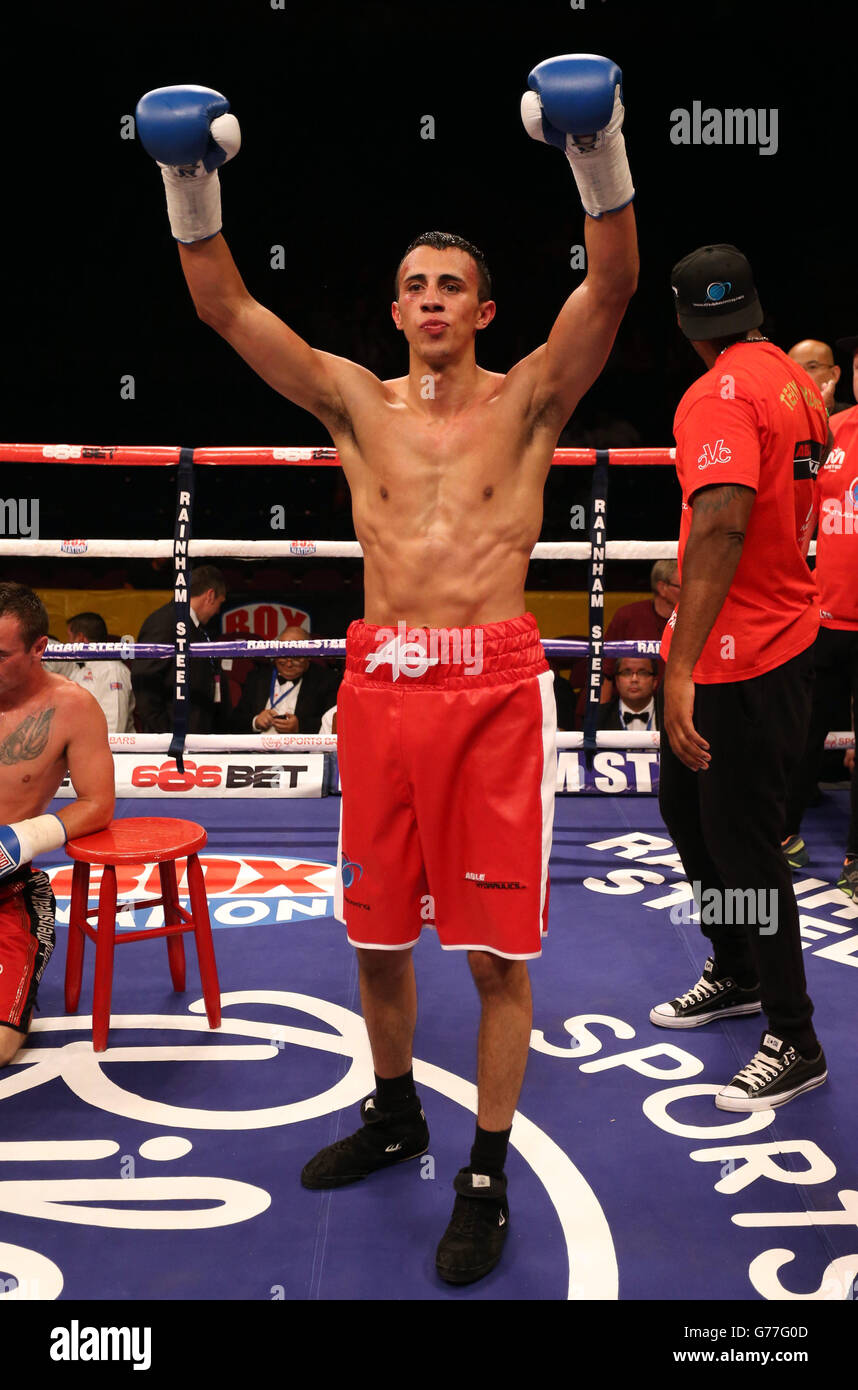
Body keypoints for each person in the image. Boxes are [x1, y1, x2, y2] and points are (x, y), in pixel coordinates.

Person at [137, 54, 638, 1283]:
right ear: (397, 302)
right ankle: (397, 1106)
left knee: (494, 953)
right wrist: (187, 180)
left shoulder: (529, 403)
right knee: (374, 934)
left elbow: (614, 283)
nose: (427, 298)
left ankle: (484, 1166)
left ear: (484, 309)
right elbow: (224, 307)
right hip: (380, 690)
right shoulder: (357, 403)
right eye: (413, 283)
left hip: (494, 694)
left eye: (451, 284)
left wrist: (598, 148)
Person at [652, 244, 829, 1113]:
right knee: (688, 816)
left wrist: (679, 665)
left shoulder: (715, 393)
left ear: (687, 326)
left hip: (740, 655)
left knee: (747, 849)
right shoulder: (797, 382)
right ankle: (736, 966)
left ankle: (794, 1036)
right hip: (771, 633)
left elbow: (723, 521)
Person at [0, 583, 114, 1065]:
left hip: (7, 894)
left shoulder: (72, 708)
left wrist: (19, 838)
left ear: (39, 648)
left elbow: (97, 803)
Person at [783, 333, 858, 895]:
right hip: (827, 617)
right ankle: (782, 834)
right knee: (803, 734)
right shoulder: (837, 432)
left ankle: (856, 861)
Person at [132, 565, 229, 734]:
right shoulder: (165, 621)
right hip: (173, 739)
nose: (217, 611)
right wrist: (167, 733)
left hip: (194, 734)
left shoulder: (193, 626)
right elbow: (144, 682)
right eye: (219, 603)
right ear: (210, 595)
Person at [230, 626, 341, 734]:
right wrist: (256, 721)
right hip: (258, 750)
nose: (288, 664)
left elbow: (332, 722)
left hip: (301, 751)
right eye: (283, 656)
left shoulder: (327, 680)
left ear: (309, 656)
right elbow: (234, 720)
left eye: (296, 658)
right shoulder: (257, 677)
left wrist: (300, 727)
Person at [601, 558, 678, 699]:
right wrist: (602, 717)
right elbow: (605, 671)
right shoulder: (628, 616)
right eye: (682, 586)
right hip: (631, 705)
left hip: (679, 703)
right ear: (662, 588)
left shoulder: (693, 622)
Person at [64, 612, 136, 733]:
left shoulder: (112, 670)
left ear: (81, 638)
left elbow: (115, 724)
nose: (68, 643)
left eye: (70, 637)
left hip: (107, 749)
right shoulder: (79, 670)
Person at [787, 338, 848, 415]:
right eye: (795, 369)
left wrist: (823, 410)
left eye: (812, 367)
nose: (801, 375)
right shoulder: (779, 417)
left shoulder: (851, 419)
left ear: (834, 374)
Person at [597, 656, 658, 730]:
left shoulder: (670, 714)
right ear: (617, 681)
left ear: (654, 681)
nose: (634, 679)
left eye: (642, 673)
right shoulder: (598, 717)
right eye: (627, 673)